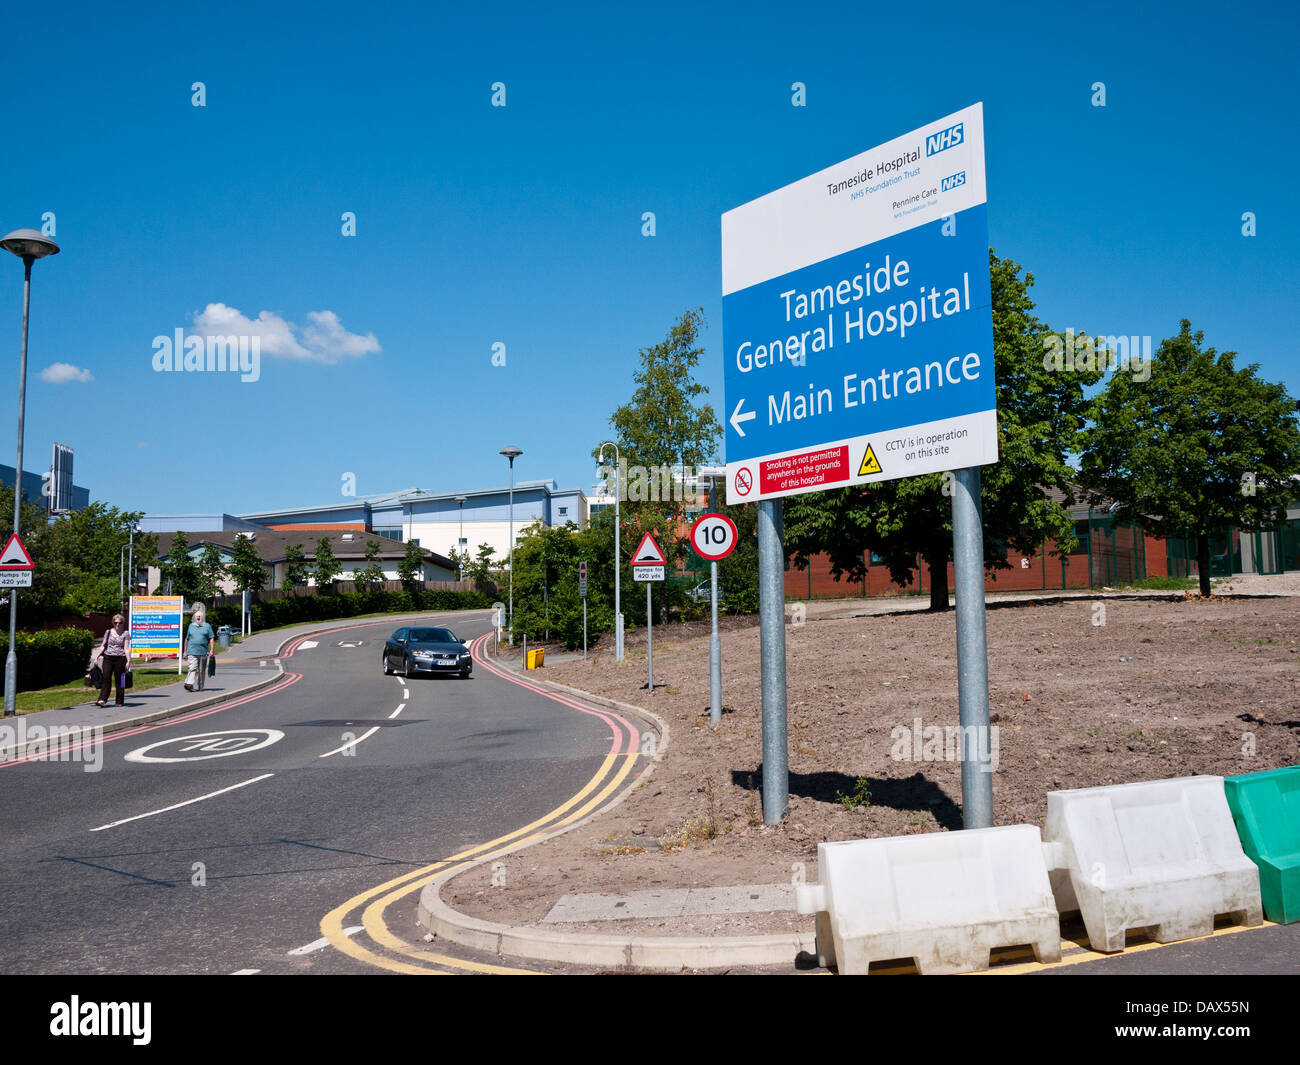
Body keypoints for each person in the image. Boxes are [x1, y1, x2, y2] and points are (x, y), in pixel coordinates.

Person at [94, 613, 131, 707]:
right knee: (106, 678)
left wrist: (128, 661)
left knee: (119, 680)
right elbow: (103, 645)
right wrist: (97, 657)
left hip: (120, 658)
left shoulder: (126, 633)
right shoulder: (108, 632)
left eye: (120, 623)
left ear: (123, 623)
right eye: (115, 623)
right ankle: (102, 699)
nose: (117, 625)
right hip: (108, 657)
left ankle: (119, 701)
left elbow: (126, 648)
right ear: (113, 623)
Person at [185, 608, 216, 691]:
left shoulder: (207, 626)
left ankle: (201, 686)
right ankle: (189, 684)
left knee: (202, 670)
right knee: (192, 667)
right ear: (194, 618)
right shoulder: (191, 626)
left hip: (203, 652)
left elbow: (211, 638)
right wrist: (185, 651)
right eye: (196, 617)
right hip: (192, 651)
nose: (198, 618)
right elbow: (187, 639)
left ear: (202, 617)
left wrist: (212, 650)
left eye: (199, 617)